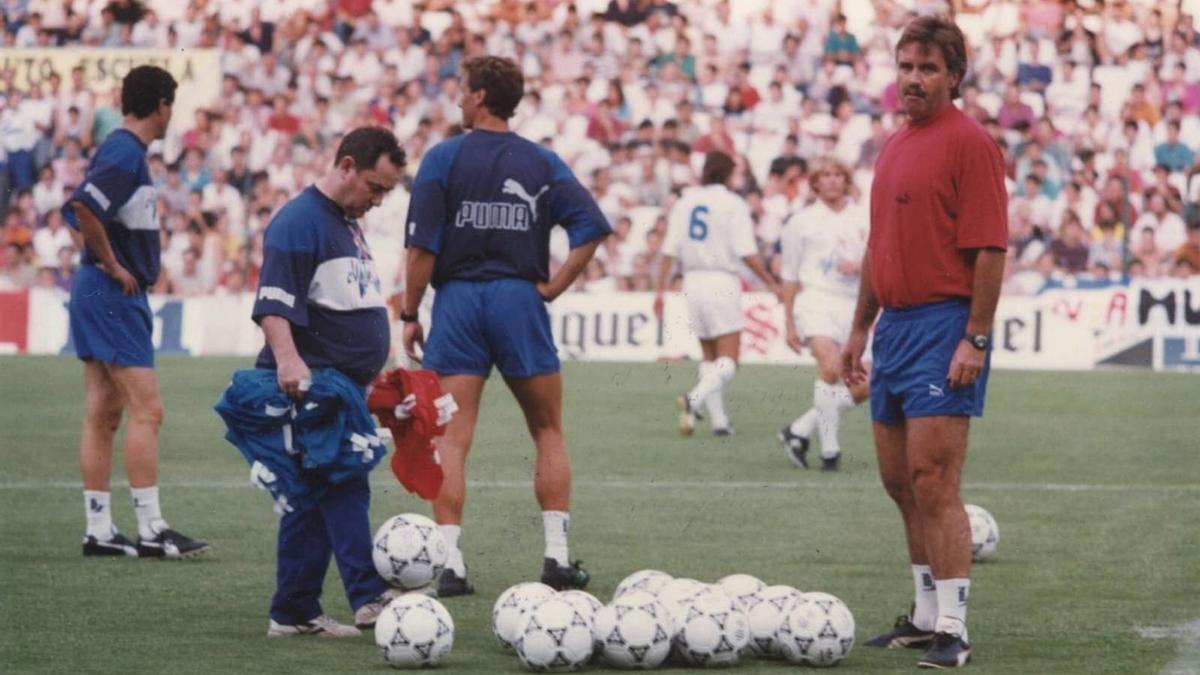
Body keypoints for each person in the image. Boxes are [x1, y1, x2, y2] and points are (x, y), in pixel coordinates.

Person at [401, 55, 610, 597]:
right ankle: (557, 559)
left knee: (451, 438)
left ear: (480, 97)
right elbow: (590, 227)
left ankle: (451, 565)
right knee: (547, 429)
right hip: (519, 299)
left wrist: (408, 312)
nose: (457, 99)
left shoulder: (443, 158)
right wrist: (556, 284)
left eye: (462, 91)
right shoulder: (542, 161)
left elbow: (422, 248)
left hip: (460, 302)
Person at [842, 17, 1007, 669]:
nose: (913, 78)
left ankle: (956, 628)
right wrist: (859, 326)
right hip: (895, 328)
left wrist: (976, 336)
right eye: (906, 65)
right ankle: (923, 613)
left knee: (934, 478)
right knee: (898, 481)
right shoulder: (893, 144)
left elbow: (991, 250)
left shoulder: (970, 144)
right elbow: (876, 247)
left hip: (945, 324)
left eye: (928, 67)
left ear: (954, 76)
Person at [250, 126, 407, 637]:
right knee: (343, 480)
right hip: (314, 380)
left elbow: (350, 302)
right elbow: (274, 303)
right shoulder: (299, 222)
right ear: (344, 166)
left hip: (343, 383)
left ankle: (293, 611)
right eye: (374, 186)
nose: (378, 200)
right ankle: (368, 596)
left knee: (313, 495)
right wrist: (289, 362)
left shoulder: (345, 221)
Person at [63, 65, 208, 559]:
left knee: (103, 413)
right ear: (162, 105)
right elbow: (83, 206)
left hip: (95, 291)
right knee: (149, 410)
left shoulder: (120, 150)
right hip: (112, 294)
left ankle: (99, 530)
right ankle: (151, 527)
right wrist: (111, 262)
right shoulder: (126, 152)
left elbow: (78, 211)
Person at [653, 150, 780, 436]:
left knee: (709, 356)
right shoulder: (733, 204)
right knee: (730, 359)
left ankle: (720, 422)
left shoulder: (685, 202)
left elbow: (667, 252)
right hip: (721, 280)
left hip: (692, 281)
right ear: (726, 173)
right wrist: (772, 283)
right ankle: (692, 400)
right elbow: (746, 252)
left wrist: (659, 291)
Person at [777, 157, 870, 471]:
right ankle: (830, 452)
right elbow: (789, 275)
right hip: (816, 300)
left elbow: (880, 259)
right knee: (830, 368)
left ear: (846, 180)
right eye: (825, 176)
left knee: (869, 381)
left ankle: (799, 430)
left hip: (855, 305)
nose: (831, 181)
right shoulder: (800, 222)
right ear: (814, 183)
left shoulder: (864, 217)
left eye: (837, 175)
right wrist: (788, 321)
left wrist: (860, 267)